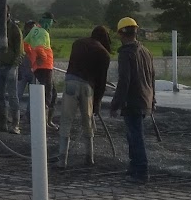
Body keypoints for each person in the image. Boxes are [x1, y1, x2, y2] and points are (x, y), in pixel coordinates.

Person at [57, 25, 113, 166]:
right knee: (87, 123)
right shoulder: (104, 53)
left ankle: (62, 160)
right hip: (87, 87)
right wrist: (97, 103)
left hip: (70, 83)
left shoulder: (78, 43)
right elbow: (101, 82)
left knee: (66, 121)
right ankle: (89, 158)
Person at [109, 17, 155, 184]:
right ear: (136, 31)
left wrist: (116, 104)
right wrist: (153, 100)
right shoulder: (146, 52)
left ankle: (141, 171)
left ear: (121, 33)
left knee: (135, 136)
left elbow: (124, 81)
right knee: (132, 135)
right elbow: (152, 77)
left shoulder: (126, 54)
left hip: (133, 100)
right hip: (145, 99)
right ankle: (134, 167)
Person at [0, 9, 24, 134]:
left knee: (12, 96)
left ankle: (15, 125)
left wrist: (14, 67)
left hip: (10, 67)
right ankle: (1, 124)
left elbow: (20, 52)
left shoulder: (14, 29)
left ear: (8, 15)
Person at [24, 11, 58, 129]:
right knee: (48, 94)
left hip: (38, 67)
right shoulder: (44, 33)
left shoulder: (34, 30)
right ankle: (43, 122)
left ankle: (47, 121)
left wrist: (31, 57)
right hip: (45, 66)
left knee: (51, 92)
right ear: (49, 22)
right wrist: (42, 58)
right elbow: (39, 48)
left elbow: (25, 43)